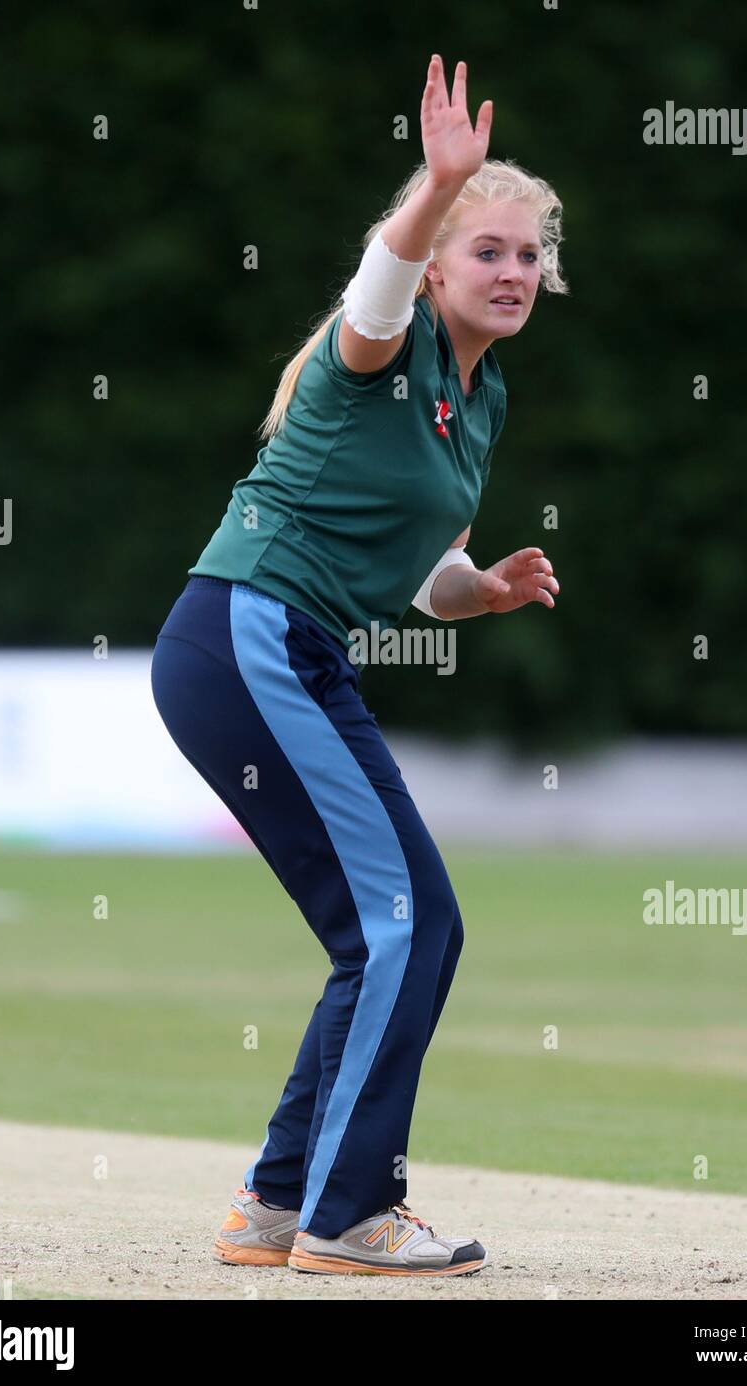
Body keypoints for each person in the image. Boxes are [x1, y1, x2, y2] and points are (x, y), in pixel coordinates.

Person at [150, 53, 568, 1278]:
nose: (511, 272)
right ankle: (347, 1210)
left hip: (282, 653)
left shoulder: (478, 398)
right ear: (437, 262)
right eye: (485, 249)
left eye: (528, 254)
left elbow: (421, 559)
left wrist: (473, 590)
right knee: (407, 920)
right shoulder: (373, 347)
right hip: (246, 636)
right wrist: (435, 190)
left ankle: (281, 1201)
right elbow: (377, 287)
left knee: (390, 927)